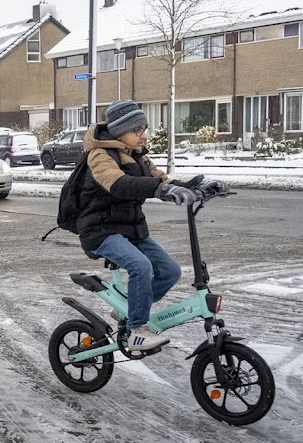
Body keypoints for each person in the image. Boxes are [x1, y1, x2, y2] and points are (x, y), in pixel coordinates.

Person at [77, 100, 228, 352]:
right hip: (100, 230)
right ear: (118, 131)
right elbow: (119, 184)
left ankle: (128, 308)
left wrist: (198, 188)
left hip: (130, 229)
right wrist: (160, 190)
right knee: (140, 266)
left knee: (170, 271)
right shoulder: (99, 156)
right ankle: (137, 328)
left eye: (144, 128)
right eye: (137, 130)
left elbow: (163, 180)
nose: (143, 135)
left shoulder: (138, 156)